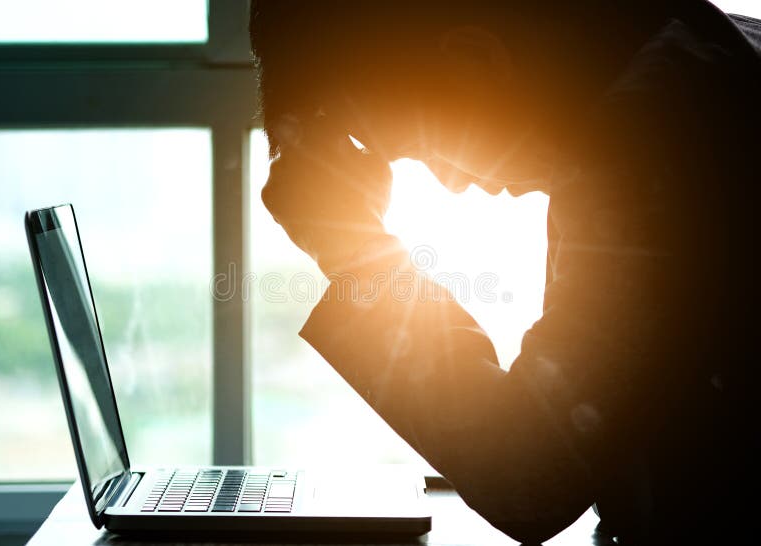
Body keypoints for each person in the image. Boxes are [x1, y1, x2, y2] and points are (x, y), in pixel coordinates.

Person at [249, 1, 759, 543]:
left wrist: (352, 249)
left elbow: (531, 474)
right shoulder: (699, 56)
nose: (448, 182)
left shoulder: (650, 136)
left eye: (419, 148)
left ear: (473, 60)